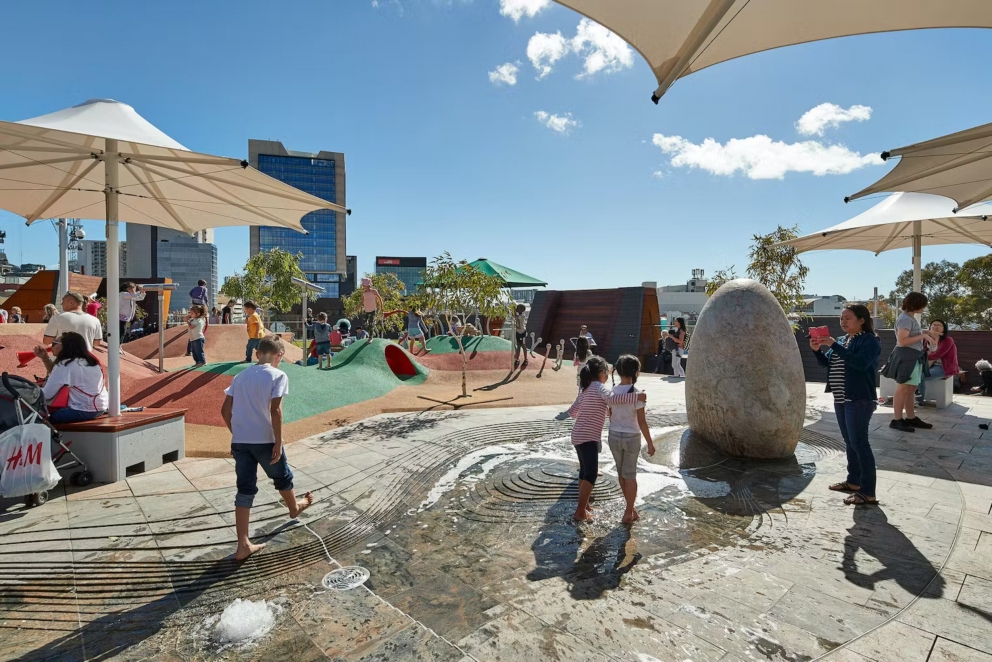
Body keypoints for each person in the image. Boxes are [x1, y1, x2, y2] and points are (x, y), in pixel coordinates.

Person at [220, 335, 313, 560]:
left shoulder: (240, 377)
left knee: (245, 488)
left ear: (257, 353)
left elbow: (224, 411)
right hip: (266, 440)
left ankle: (243, 544)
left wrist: (238, 433)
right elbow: (276, 411)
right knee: (282, 476)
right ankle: (294, 508)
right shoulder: (278, 375)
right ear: (279, 355)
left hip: (241, 441)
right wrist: (278, 442)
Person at [811, 304, 882, 506]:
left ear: (861, 320)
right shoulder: (843, 340)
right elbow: (827, 363)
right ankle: (854, 482)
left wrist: (833, 345)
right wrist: (817, 351)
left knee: (860, 442)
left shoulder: (870, 340)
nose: (843, 322)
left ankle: (868, 492)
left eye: (848, 318)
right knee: (850, 441)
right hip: (841, 398)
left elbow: (860, 364)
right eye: (841, 318)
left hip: (859, 398)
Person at [567, 356, 646, 522]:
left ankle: (585, 505)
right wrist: (636, 397)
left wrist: (596, 411)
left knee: (583, 471)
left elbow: (572, 412)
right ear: (602, 373)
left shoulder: (586, 389)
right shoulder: (600, 388)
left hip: (577, 436)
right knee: (591, 474)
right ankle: (580, 511)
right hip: (588, 437)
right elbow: (613, 399)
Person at [609, 355, 656, 524]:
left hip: (614, 436)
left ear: (619, 371)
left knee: (621, 473)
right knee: (630, 475)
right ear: (636, 372)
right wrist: (650, 443)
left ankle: (631, 509)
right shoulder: (637, 395)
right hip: (631, 437)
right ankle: (628, 511)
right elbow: (642, 422)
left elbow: (610, 414)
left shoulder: (611, 392)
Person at [881, 292, 937, 433]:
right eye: (922, 305)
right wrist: (923, 335)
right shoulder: (905, 319)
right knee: (903, 389)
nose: (924, 308)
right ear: (917, 304)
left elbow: (909, 334)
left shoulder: (909, 318)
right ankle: (897, 420)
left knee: (911, 389)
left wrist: (924, 331)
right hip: (907, 357)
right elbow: (902, 341)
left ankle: (911, 417)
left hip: (914, 356)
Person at [34, 331, 108, 424]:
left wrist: (27, 390)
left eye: (54, 343)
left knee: (38, 418)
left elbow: (46, 395)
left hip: (84, 410)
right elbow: (58, 375)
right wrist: (45, 358)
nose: (51, 346)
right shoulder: (91, 362)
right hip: (101, 407)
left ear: (65, 346)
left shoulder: (65, 365)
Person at [918, 319, 959, 406]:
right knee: (913, 373)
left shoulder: (948, 340)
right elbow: (922, 353)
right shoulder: (926, 340)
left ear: (943, 329)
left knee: (920, 375)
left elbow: (935, 355)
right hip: (930, 365)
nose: (936, 327)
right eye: (934, 325)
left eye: (939, 325)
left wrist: (928, 353)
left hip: (943, 367)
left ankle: (919, 401)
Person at [359, 278, 383, 343]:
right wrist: (358, 307)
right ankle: (373, 331)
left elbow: (379, 298)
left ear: (368, 285)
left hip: (373, 310)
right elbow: (362, 301)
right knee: (365, 323)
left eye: (364, 285)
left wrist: (381, 306)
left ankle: (370, 337)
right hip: (366, 310)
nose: (363, 286)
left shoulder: (373, 291)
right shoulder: (363, 293)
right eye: (363, 285)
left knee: (371, 323)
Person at [513, 304, 528, 368]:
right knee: (518, 346)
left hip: (522, 333)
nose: (517, 309)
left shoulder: (522, 316)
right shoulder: (519, 315)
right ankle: (517, 359)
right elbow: (515, 316)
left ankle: (525, 359)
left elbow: (516, 317)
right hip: (518, 332)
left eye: (518, 308)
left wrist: (514, 310)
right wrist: (514, 310)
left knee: (523, 346)